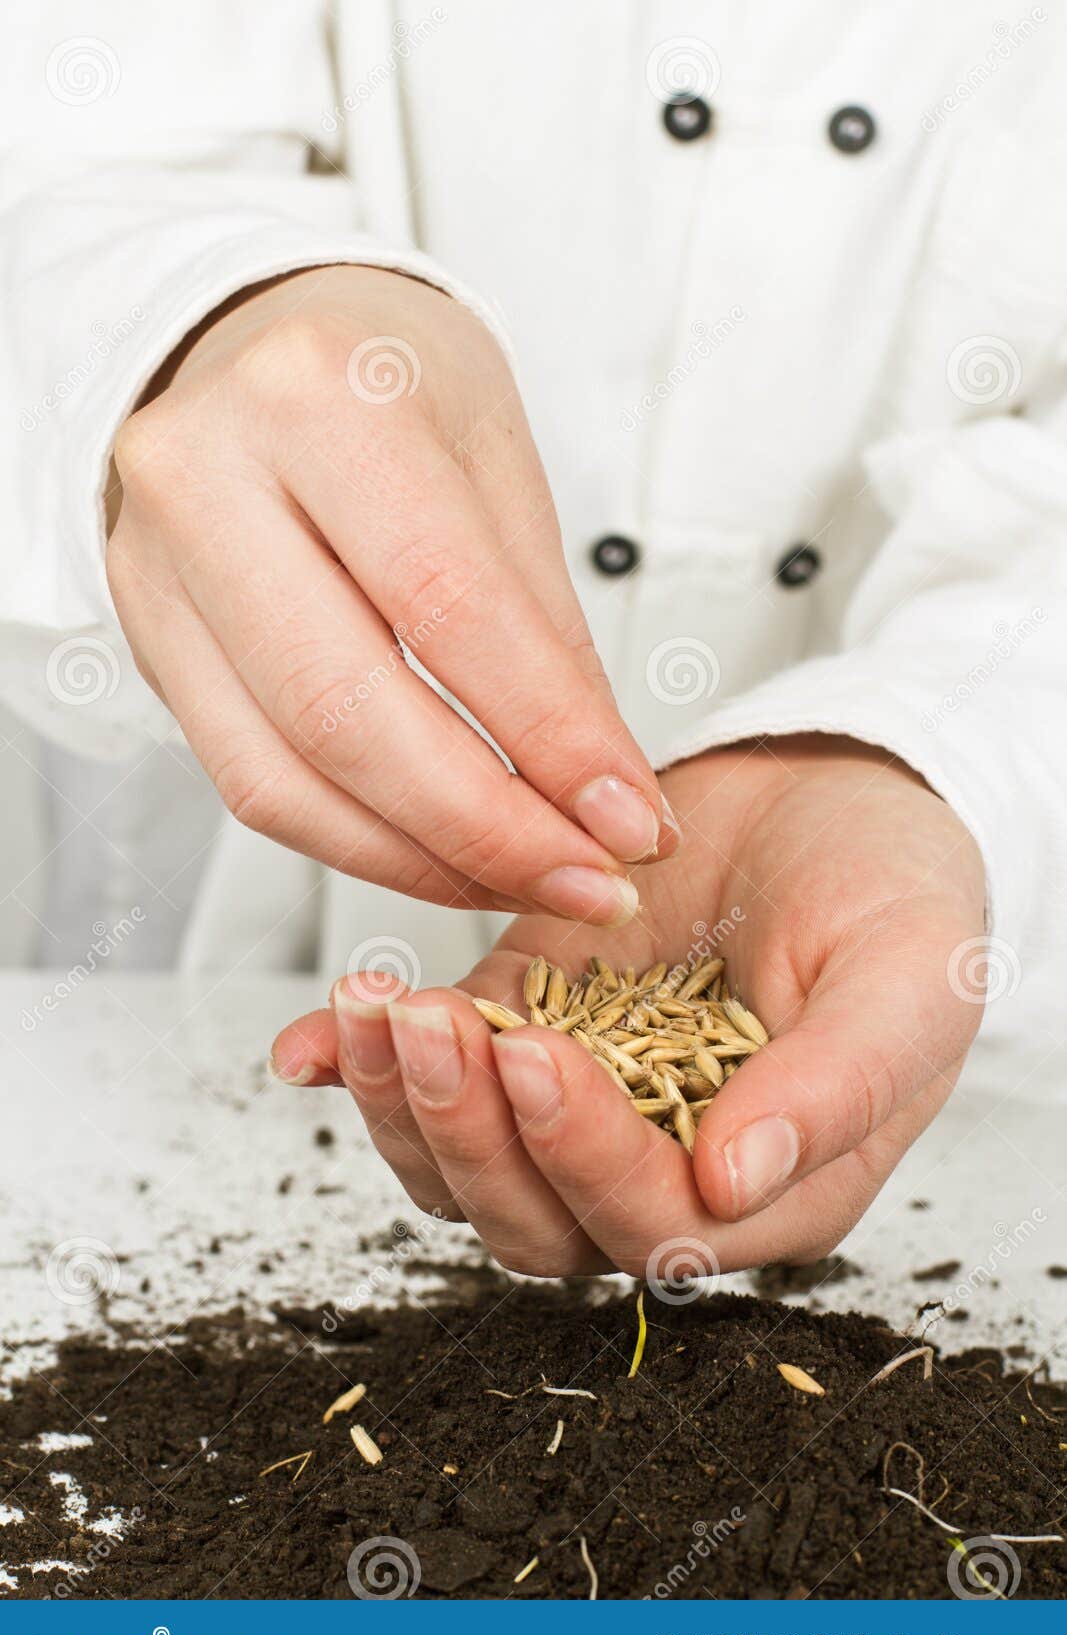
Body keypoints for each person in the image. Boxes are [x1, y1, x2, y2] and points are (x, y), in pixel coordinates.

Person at [4, 4, 1063, 1278]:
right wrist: (195, 323)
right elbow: (77, 132)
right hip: (162, 1033)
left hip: (998, 1108)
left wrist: (926, 752)